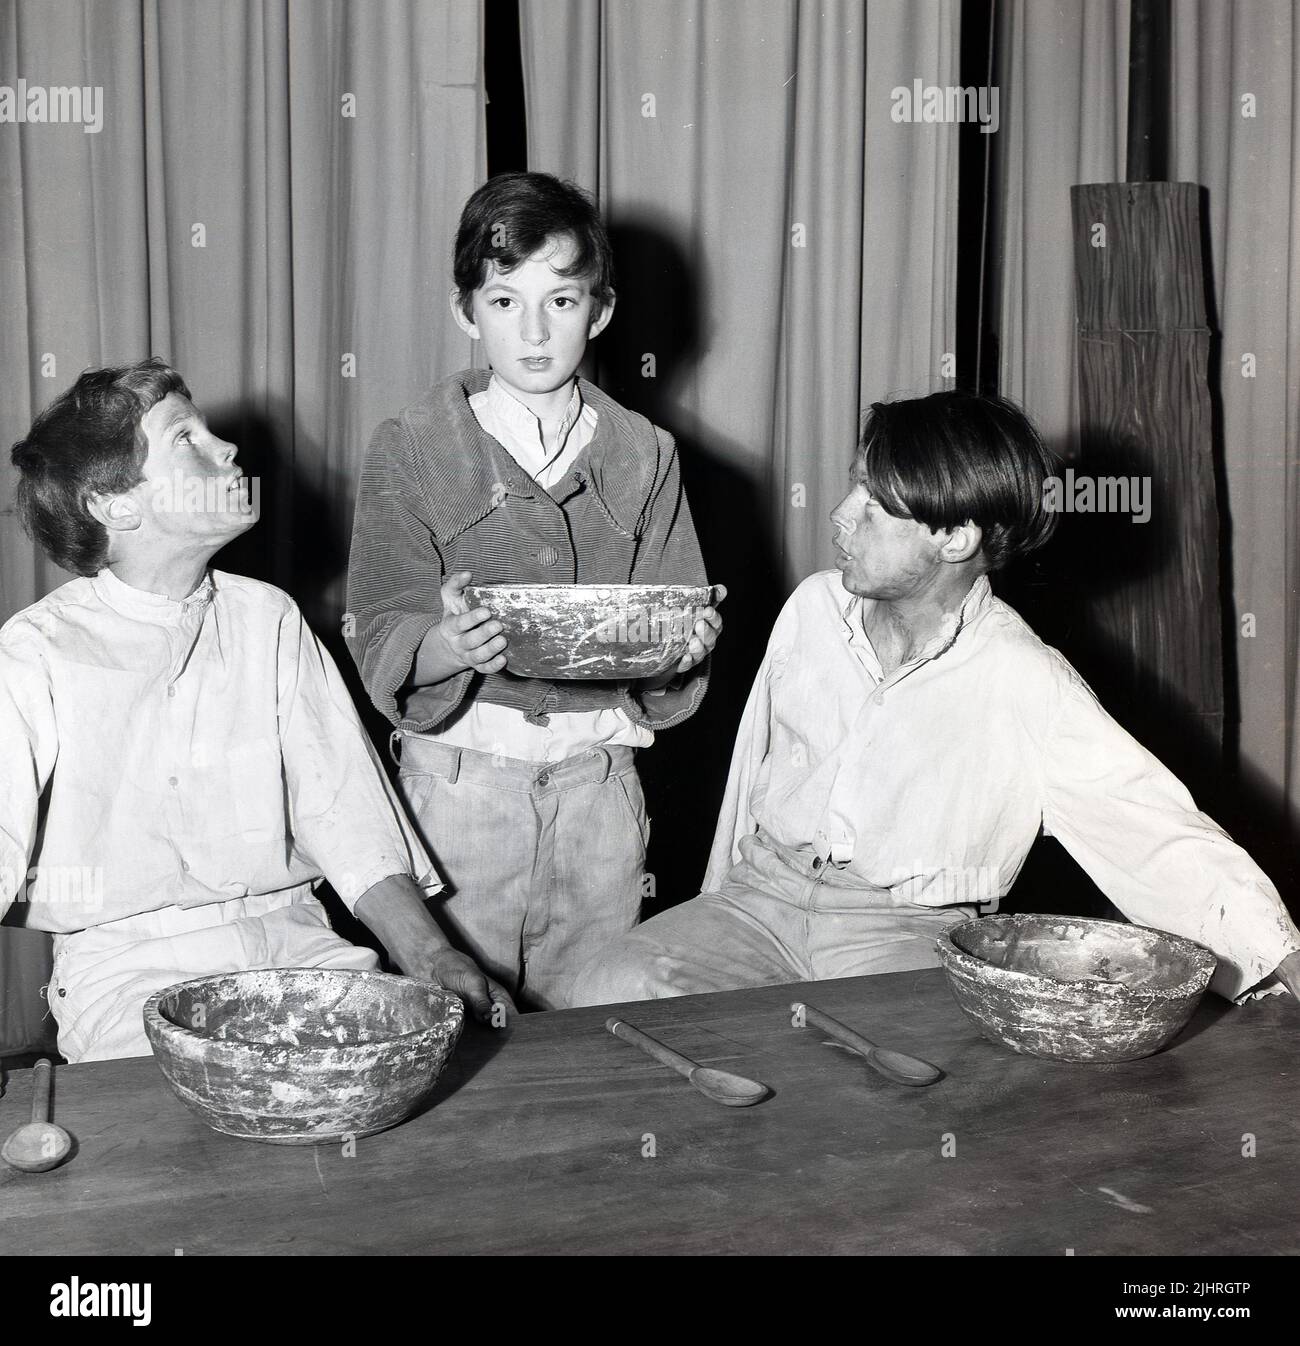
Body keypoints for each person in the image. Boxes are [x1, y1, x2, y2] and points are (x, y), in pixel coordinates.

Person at [571, 391, 1300, 1007]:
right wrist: (715, 897)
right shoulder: (812, 610)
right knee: (607, 987)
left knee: (915, 1070)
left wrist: (1277, 958)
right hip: (758, 903)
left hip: (901, 933)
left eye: (875, 505)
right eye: (852, 485)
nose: (838, 514)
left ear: (954, 537)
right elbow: (750, 779)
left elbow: (1154, 831)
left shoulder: (1023, 677)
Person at [0, 359, 513, 1063]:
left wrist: (430, 956)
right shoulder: (34, 653)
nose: (227, 449)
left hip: (300, 947)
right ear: (115, 504)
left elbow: (346, 818)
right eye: (186, 438)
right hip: (125, 976)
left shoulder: (269, 618)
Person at [345, 173, 723, 1011]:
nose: (535, 330)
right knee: (453, 1025)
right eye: (505, 301)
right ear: (465, 312)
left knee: (596, 1027)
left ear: (603, 311)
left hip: (600, 790)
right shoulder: (411, 446)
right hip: (461, 788)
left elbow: (672, 621)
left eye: (561, 300)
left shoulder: (645, 452)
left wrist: (677, 654)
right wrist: (442, 645)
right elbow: (375, 623)